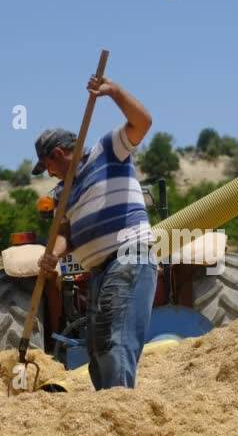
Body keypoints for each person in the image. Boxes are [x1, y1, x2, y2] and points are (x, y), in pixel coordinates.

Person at [35, 76, 157, 390]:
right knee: (98, 346)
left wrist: (114, 92)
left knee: (115, 341)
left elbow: (143, 121)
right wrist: (53, 255)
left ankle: (119, 411)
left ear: (59, 153)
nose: (48, 172)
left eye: (47, 164)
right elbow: (66, 235)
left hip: (128, 257)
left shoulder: (108, 149)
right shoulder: (63, 192)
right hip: (99, 271)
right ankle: (107, 410)